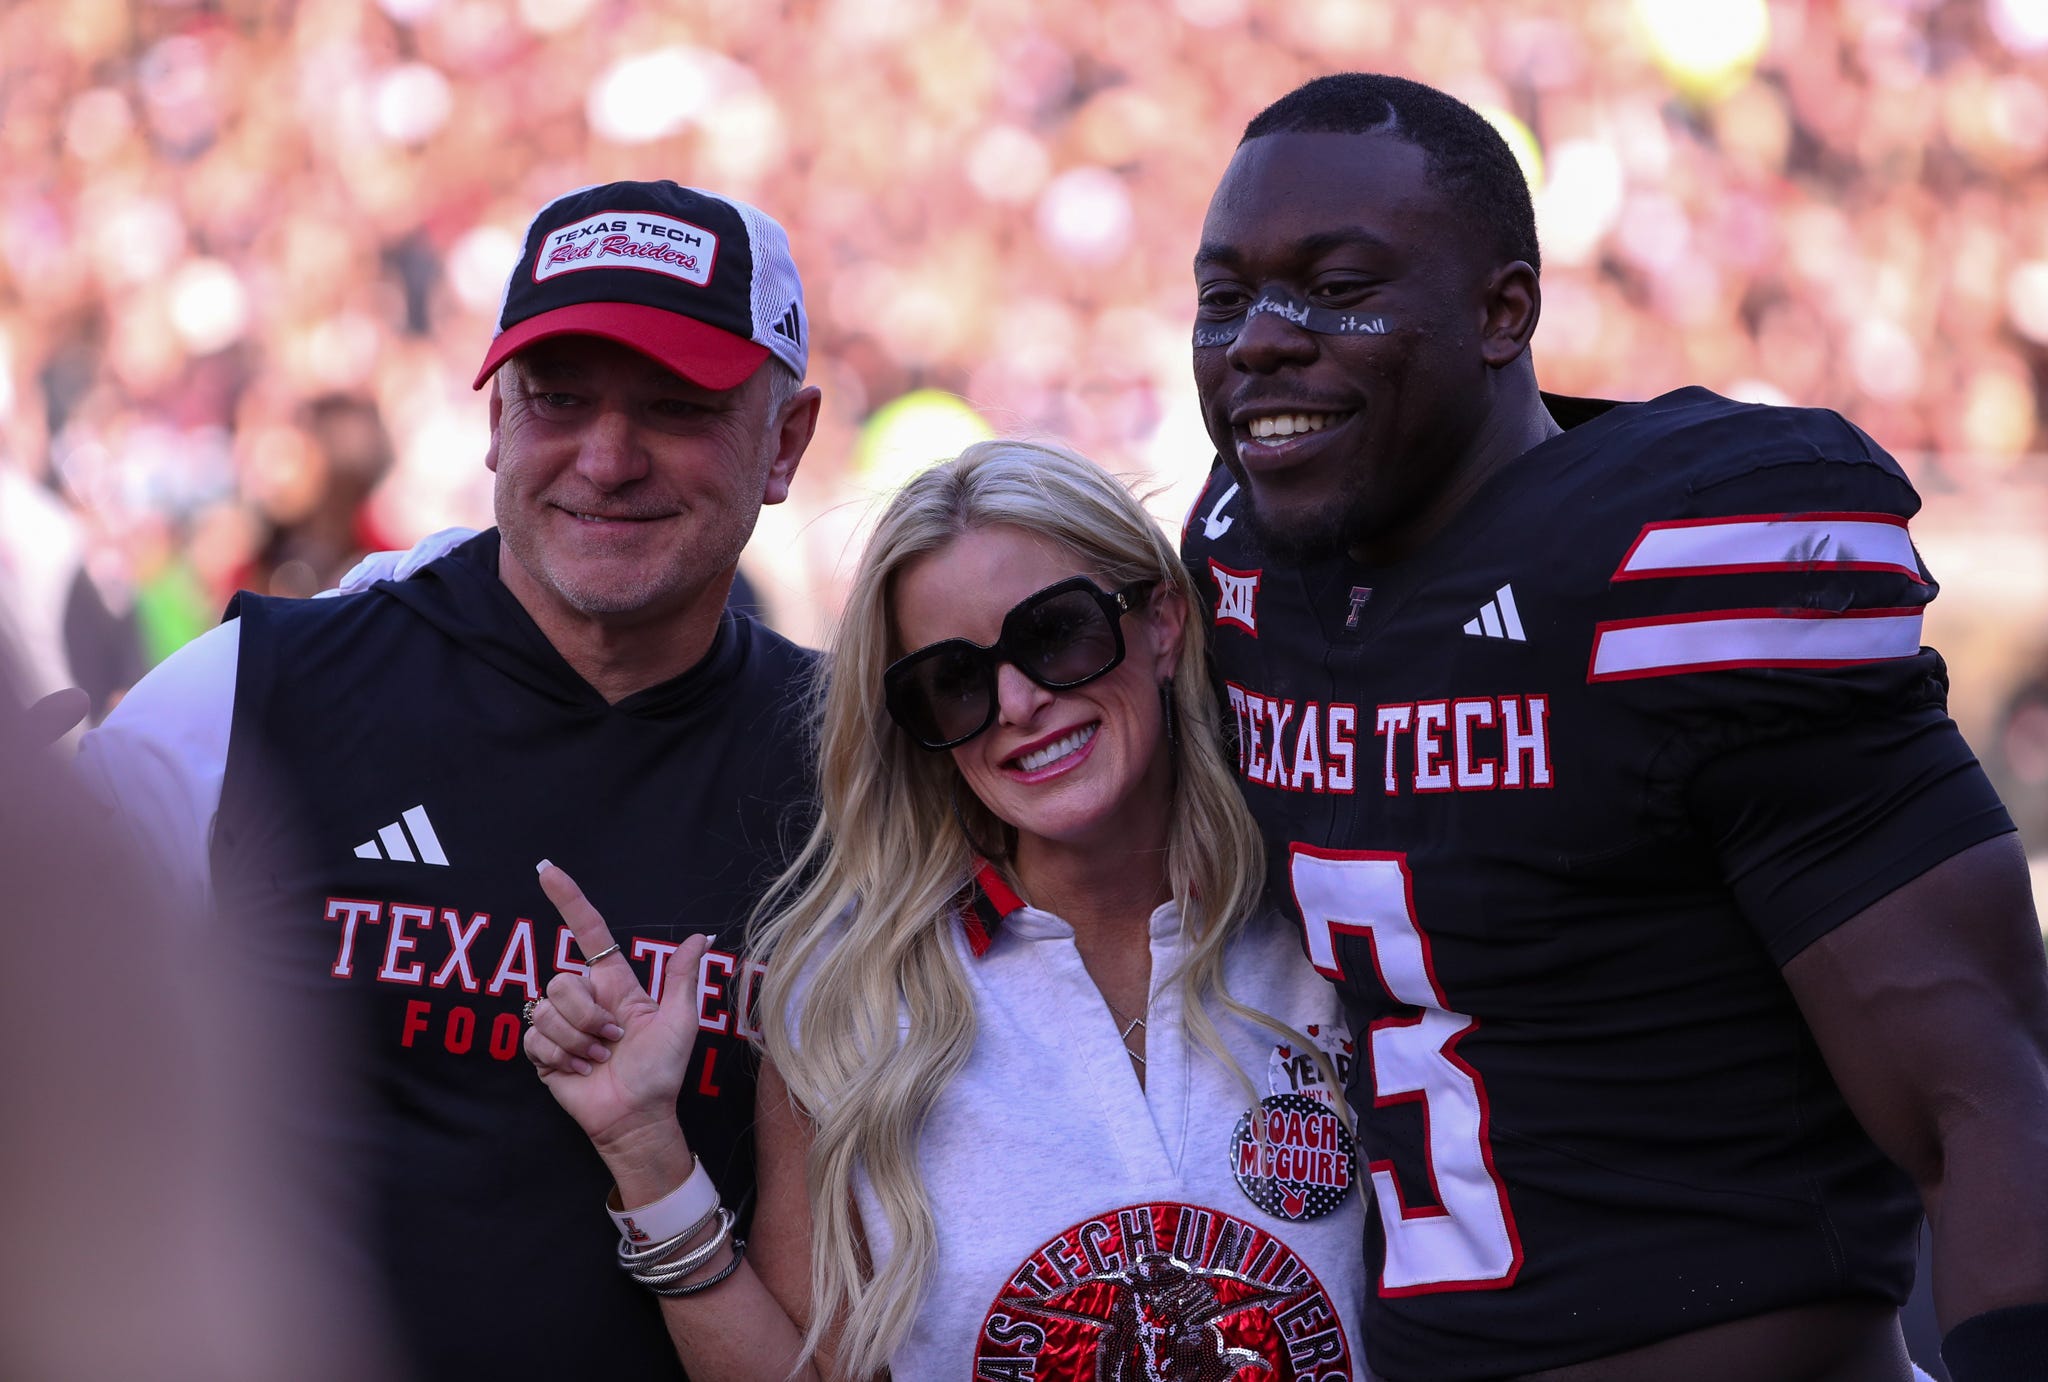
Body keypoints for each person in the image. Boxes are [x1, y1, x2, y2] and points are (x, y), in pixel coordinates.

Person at [1179, 72, 2048, 1382]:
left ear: (1502, 310)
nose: (1260, 339)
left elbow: (1982, 1092)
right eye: (1226, 296)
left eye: (1337, 286)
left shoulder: (1680, 562)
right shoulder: (1249, 562)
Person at [74, 179, 823, 1381]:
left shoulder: (851, 763)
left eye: (678, 406)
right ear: (493, 418)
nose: (608, 456)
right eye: (558, 399)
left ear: (784, 441)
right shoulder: (251, 693)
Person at [521, 439, 1370, 1379]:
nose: (1017, 703)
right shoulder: (848, 999)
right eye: (953, 682)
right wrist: (648, 1158)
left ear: (1163, 622)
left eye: (1057, 635)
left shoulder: (1343, 925)